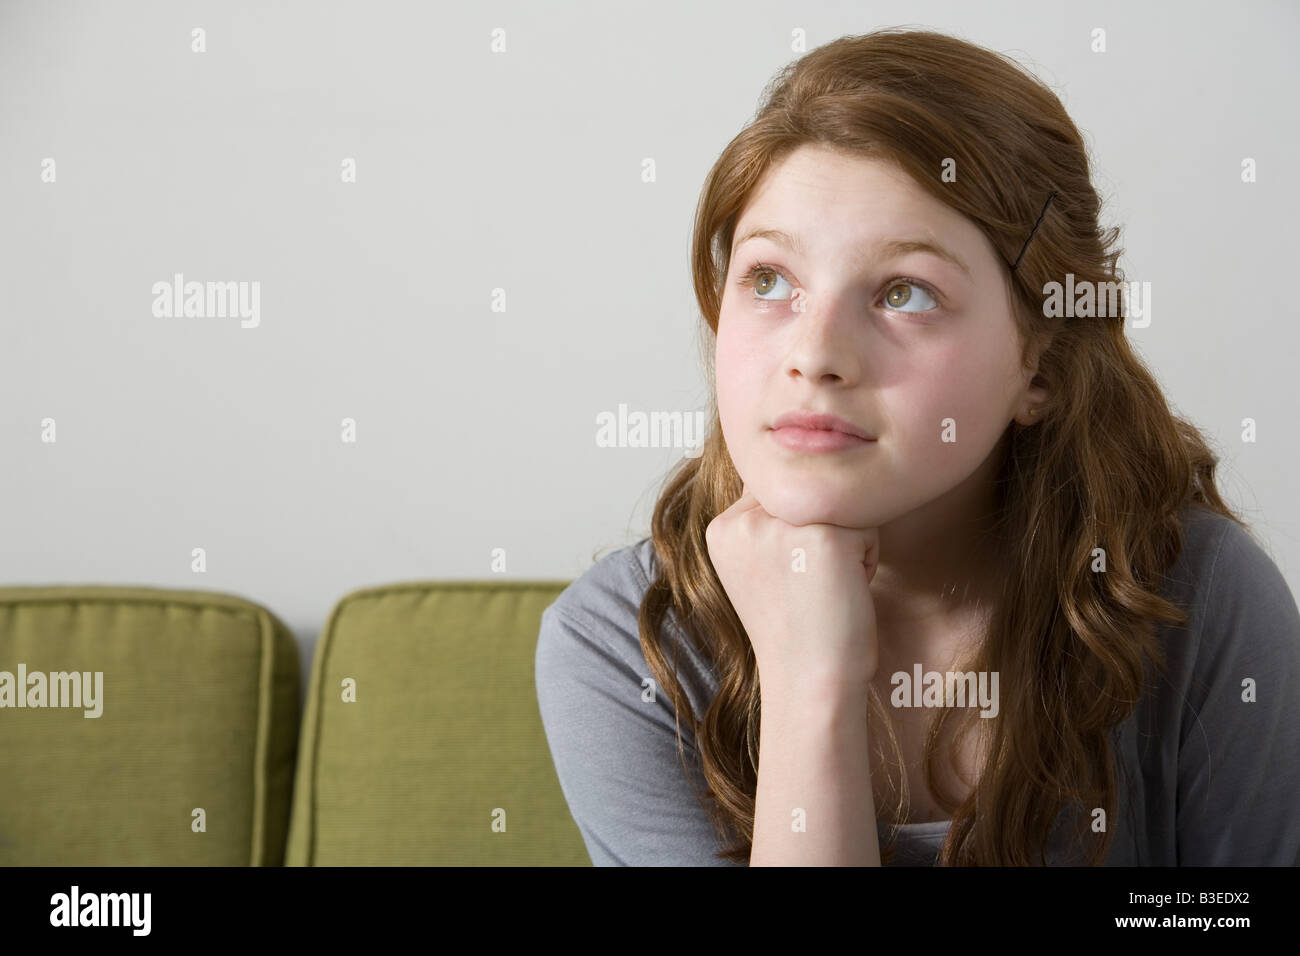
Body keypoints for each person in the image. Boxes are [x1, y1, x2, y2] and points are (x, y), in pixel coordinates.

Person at [535, 27, 1300, 866]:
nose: (816, 354)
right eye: (770, 280)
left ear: (1037, 365)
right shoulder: (624, 645)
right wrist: (809, 685)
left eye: (906, 292)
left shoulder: (1203, 602)